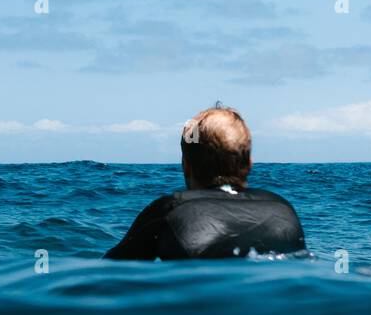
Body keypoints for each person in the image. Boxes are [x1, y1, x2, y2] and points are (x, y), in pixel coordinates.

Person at [104, 105, 306, 260]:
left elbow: (110, 275)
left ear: (186, 166)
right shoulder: (283, 209)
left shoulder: (169, 210)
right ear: (249, 164)